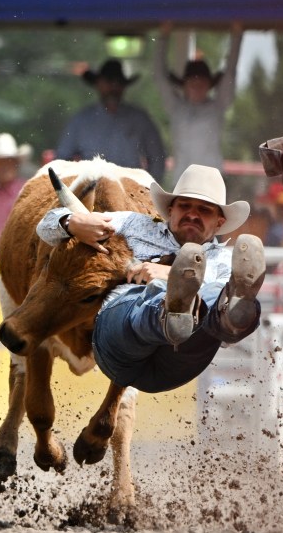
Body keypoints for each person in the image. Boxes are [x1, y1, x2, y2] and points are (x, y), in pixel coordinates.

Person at [38, 164, 265, 393]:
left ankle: (221, 310)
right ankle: (168, 309)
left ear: (219, 222)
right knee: (146, 298)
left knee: (216, 295)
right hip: (119, 343)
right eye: (185, 205)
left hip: (178, 362)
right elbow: (45, 226)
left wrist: (171, 276)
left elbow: (225, 341)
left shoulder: (224, 261)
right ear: (171, 209)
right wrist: (72, 223)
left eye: (205, 210)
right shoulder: (131, 223)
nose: (193, 214)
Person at [155, 21, 243, 182]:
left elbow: (230, 72)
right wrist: (163, 36)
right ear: (184, 86)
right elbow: (160, 77)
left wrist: (236, 36)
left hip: (211, 181)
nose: (197, 87)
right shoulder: (176, 108)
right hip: (182, 180)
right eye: (192, 83)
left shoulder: (217, 106)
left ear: (209, 85)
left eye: (201, 83)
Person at [55, 59, 167, 182]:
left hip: (128, 193)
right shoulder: (81, 120)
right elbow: (62, 160)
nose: (113, 88)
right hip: (91, 193)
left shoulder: (139, 119)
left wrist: (148, 189)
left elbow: (157, 157)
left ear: (123, 87)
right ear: (98, 84)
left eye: (118, 83)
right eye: (109, 82)